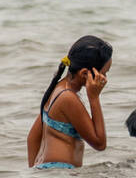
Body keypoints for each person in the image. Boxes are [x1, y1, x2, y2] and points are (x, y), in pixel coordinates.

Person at [27, 35, 112, 169]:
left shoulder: (57, 88)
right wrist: (94, 97)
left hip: (49, 171)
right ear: (85, 73)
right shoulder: (68, 98)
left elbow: (32, 138)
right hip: (60, 173)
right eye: (104, 73)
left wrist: (36, 171)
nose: (105, 78)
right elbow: (100, 144)